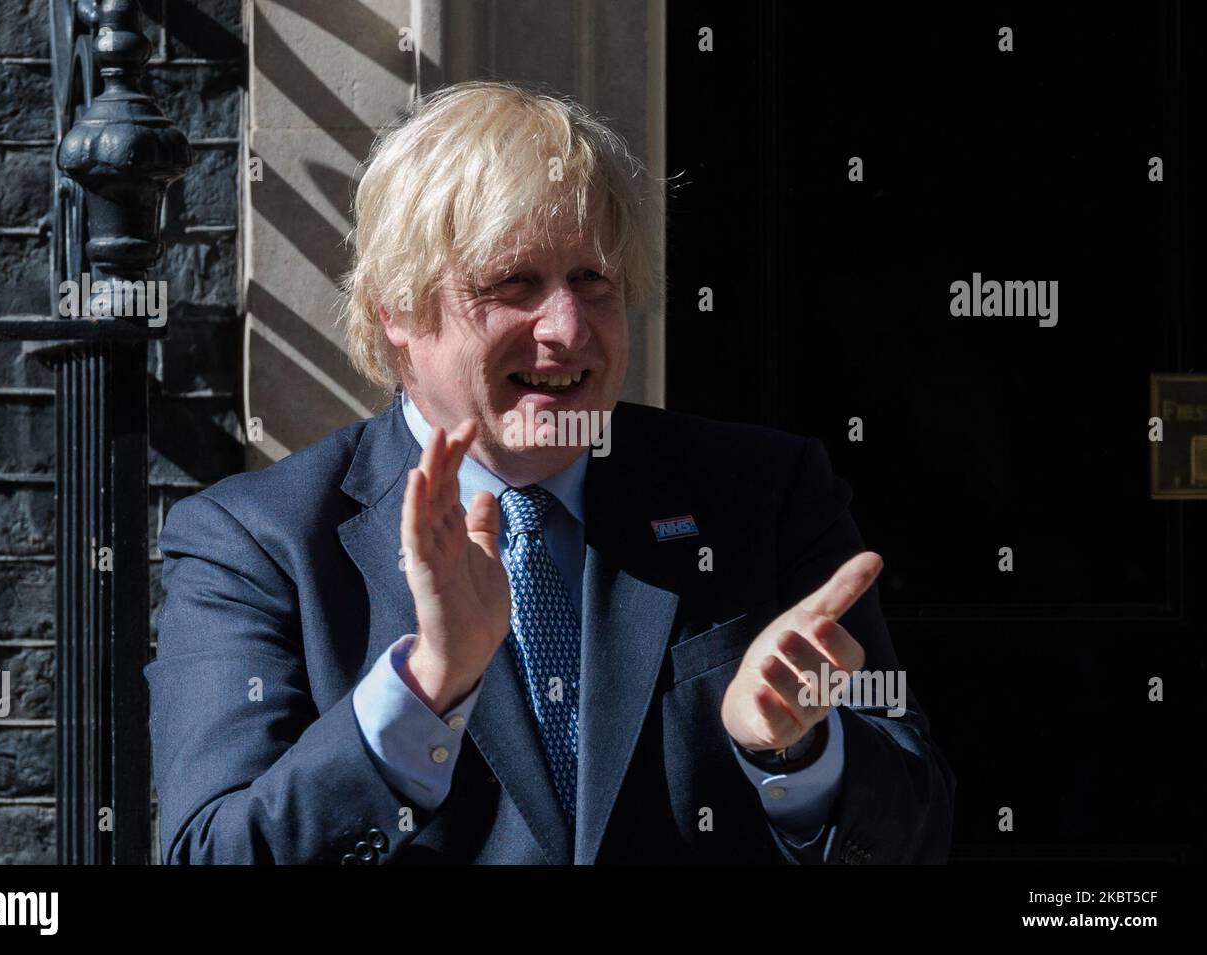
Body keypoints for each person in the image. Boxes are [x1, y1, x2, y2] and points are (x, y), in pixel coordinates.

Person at [146, 80, 955, 864]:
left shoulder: (764, 491)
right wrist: (426, 687)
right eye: (514, 283)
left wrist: (795, 753)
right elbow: (213, 850)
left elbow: (914, 829)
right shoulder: (258, 541)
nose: (567, 330)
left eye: (592, 279)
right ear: (398, 310)